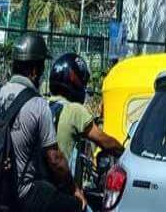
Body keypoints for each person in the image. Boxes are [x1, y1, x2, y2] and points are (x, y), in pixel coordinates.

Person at [0, 32, 86, 212]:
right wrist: (75, 189)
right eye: (40, 69)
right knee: (73, 206)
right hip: (20, 193)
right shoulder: (38, 104)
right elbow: (55, 159)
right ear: (34, 71)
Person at [47, 52, 125, 182]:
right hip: (63, 189)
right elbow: (104, 142)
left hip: (39, 186)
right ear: (75, 80)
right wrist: (124, 152)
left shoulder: (42, 104)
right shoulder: (75, 110)